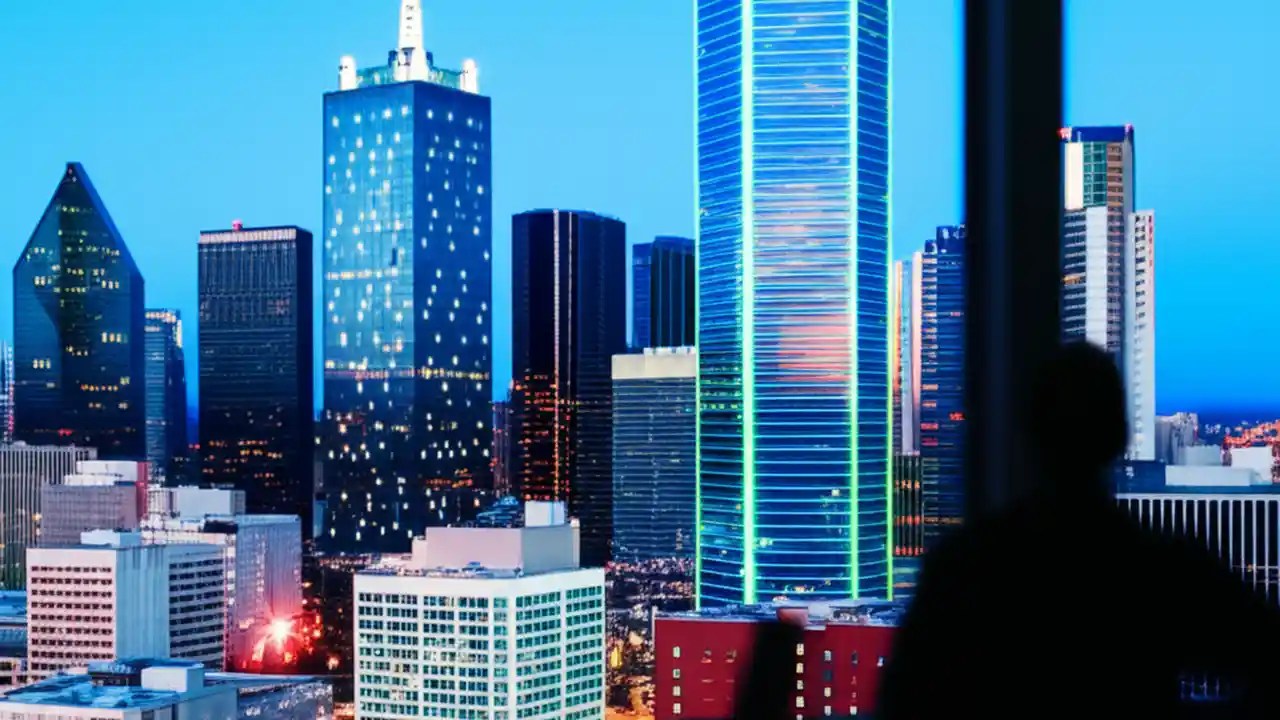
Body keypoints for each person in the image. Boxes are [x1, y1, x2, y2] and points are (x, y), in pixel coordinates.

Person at [876, 342, 1280, 718]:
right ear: (1120, 437)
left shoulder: (965, 569)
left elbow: (904, 702)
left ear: (1027, 434)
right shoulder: (1162, 568)